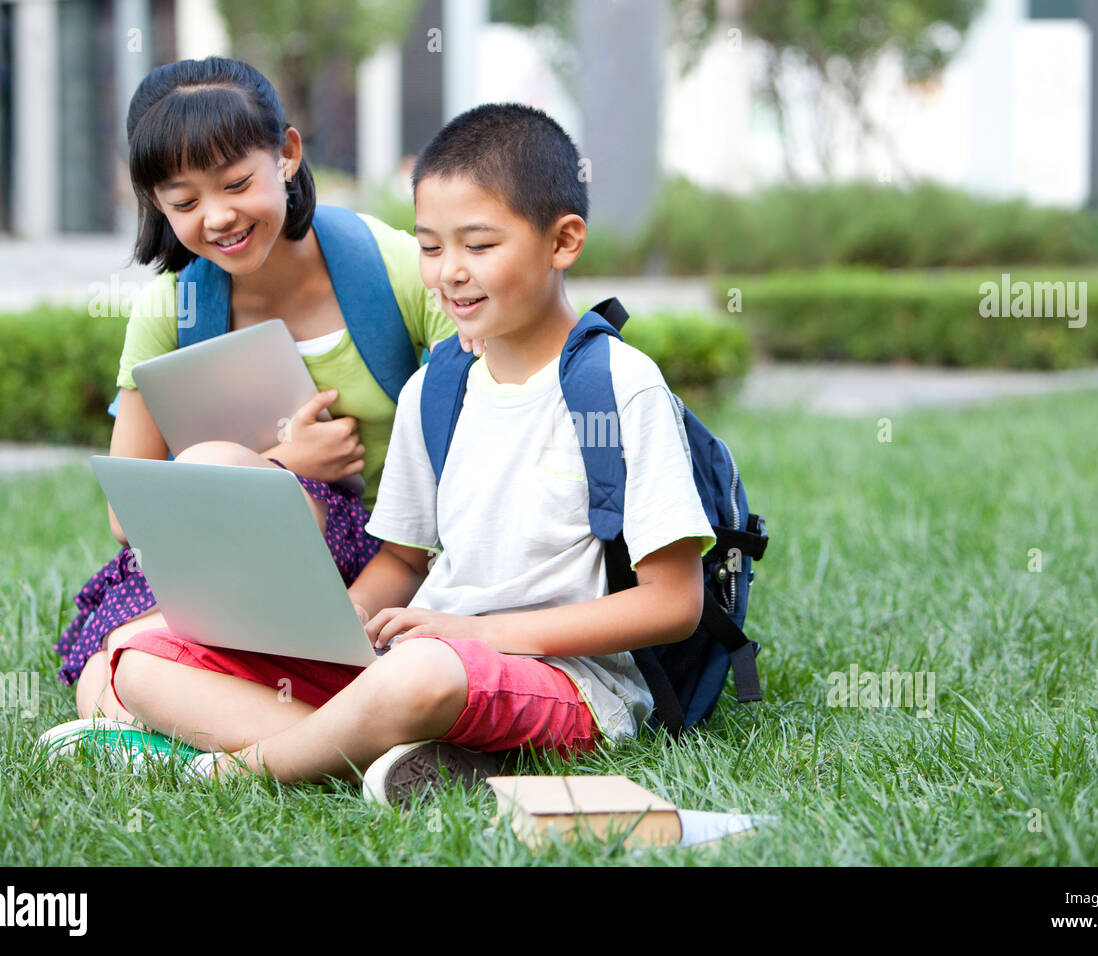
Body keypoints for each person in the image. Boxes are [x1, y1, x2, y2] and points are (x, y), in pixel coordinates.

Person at [99, 103, 716, 806]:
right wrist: (336, 634)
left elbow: (673, 603)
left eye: (479, 246)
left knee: (418, 679)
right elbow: (402, 562)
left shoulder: (619, 386)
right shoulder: (438, 387)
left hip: (563, 679)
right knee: (138, 658)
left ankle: (241, 766)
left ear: (563, 241)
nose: (450, 273)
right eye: (429, 247)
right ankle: (391, 749)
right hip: (420, 654)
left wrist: (474, 634)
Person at [52, 56, 458, 725]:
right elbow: (129, 515)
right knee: (107, 675)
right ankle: (330, 740)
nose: (218, 217)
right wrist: (282, 466)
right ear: (157, 204)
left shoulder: (396, 272)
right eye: (184, 201)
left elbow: (479, 440)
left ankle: (272, 730)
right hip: (226, 555)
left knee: (208, 470)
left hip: (381, 553)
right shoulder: (171, 306)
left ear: (288, 155)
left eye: (236, 183)